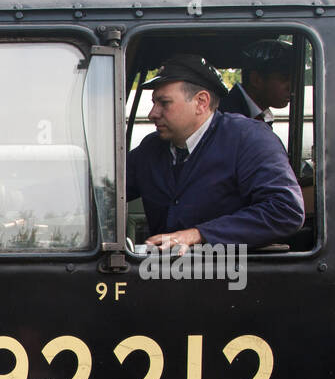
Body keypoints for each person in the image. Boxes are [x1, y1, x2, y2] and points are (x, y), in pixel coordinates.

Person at [126, 53, 304, 253]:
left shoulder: (248, 139)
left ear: (201, 102)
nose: (152, 113)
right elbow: (108, 188)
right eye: (153, 103)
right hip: (164, 277)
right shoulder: (151, 149)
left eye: (164, 103)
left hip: (233, 277)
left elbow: (285, 211)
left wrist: (197, 234)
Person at [221, 39, 295, 125]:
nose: (291, 87)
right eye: (284, 79)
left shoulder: (256, 115)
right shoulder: (228, 119)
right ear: (256, 80)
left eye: (293, 80)